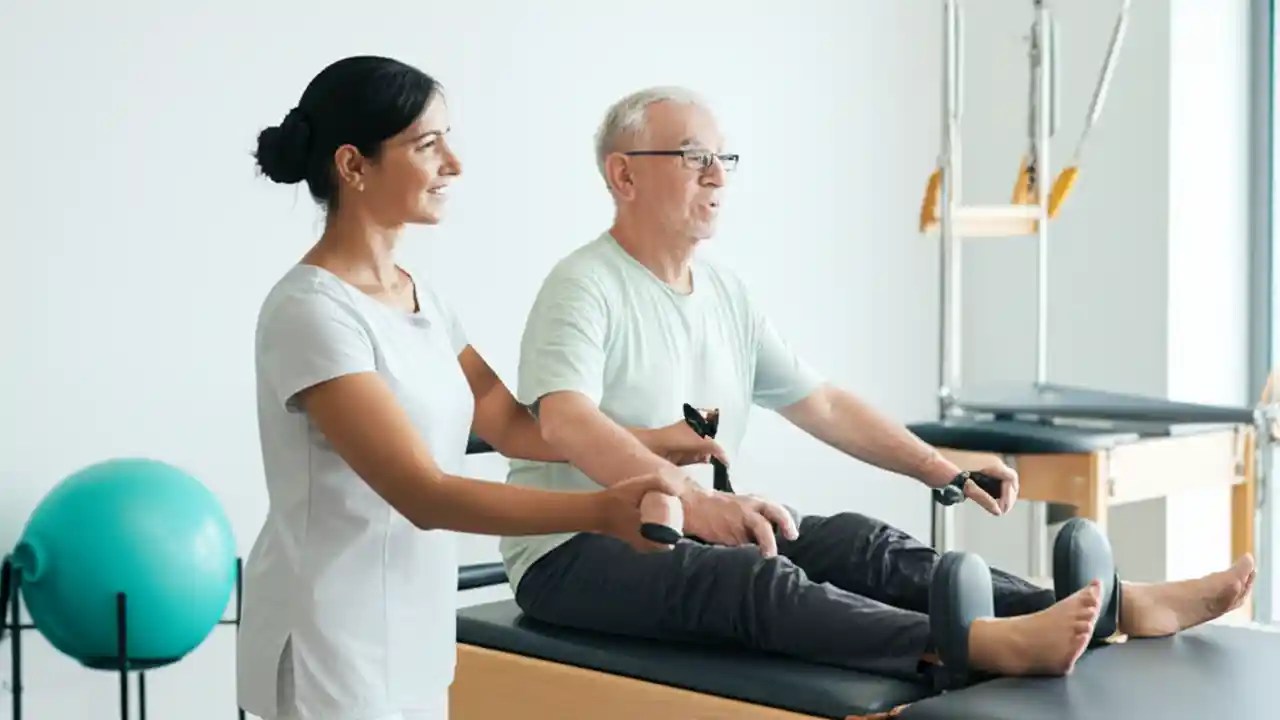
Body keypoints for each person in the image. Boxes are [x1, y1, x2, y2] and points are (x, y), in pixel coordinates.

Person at [498, 85, 1257, 683]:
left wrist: (940, 467)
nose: (716, 175)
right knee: (748, 584)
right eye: (692, 155)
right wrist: (696, 501)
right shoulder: (584, 286)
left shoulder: (725, 292)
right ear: (622, 174)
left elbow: (822, 404)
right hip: (571, 550)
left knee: (861, 544)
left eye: (725, 159)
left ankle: (1117, 606)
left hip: (676, 525)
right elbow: (566, 421)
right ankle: (974, 644)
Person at [236, 59, 718, 720]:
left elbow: (515, 426)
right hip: (332, 643)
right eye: (427, 144)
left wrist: (655, 444)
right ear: (353, 166)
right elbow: (422, 493)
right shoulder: (311, 312)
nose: (453, 164)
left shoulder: (421, 299)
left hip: (413, 634)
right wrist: (602, 511)